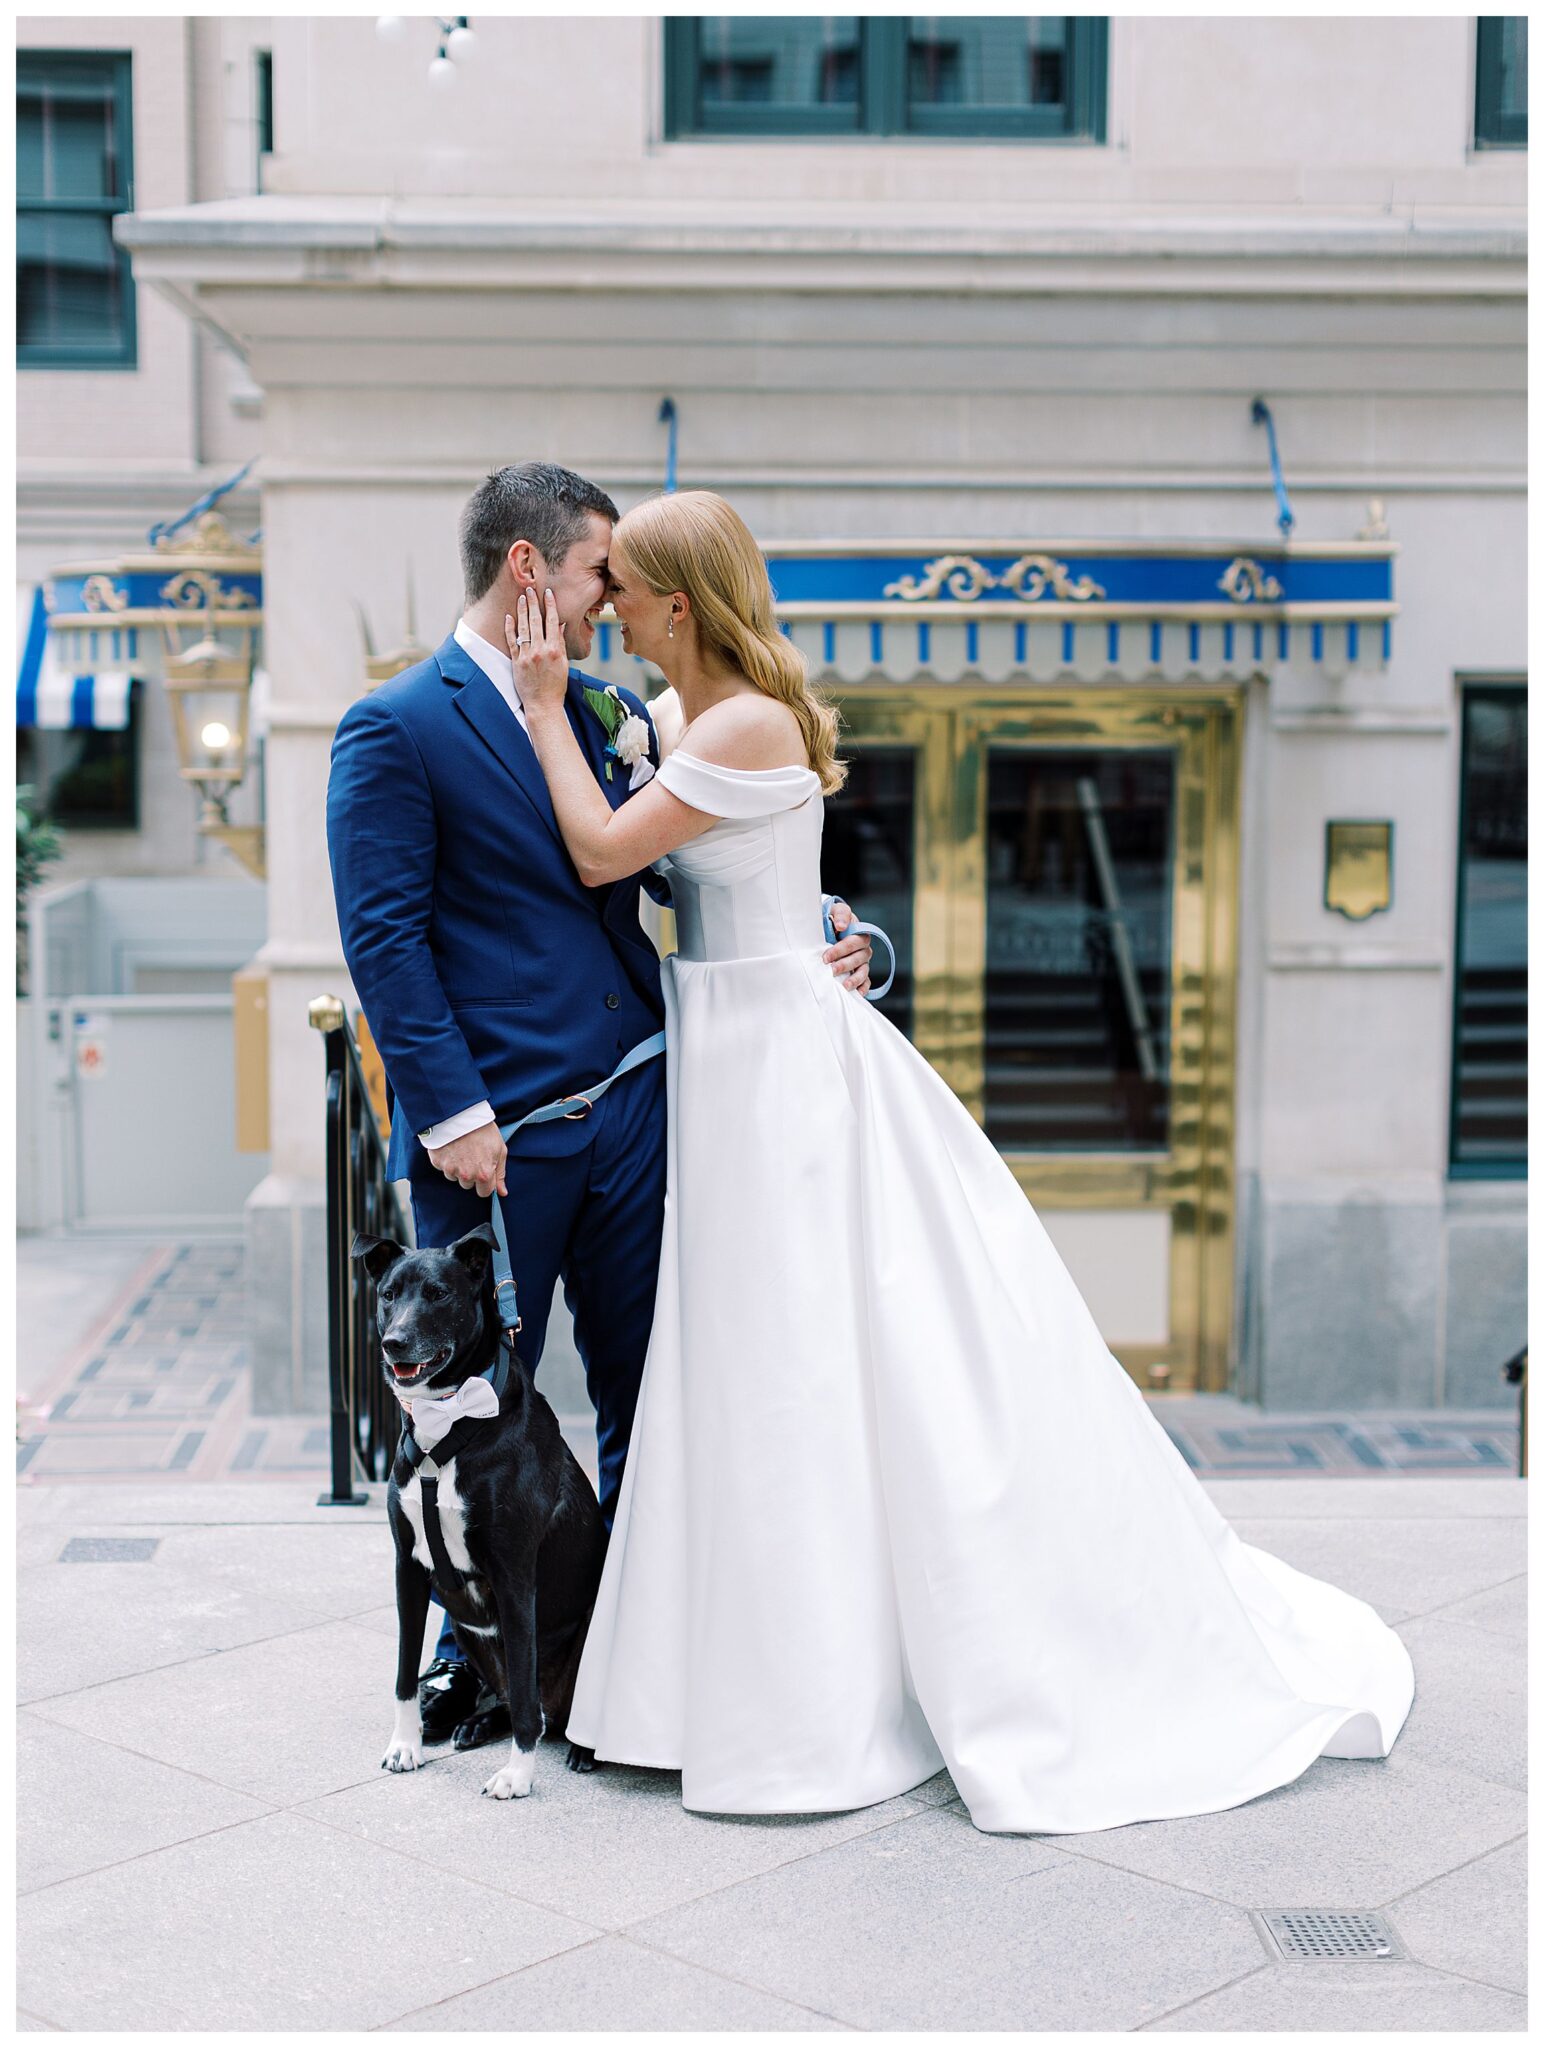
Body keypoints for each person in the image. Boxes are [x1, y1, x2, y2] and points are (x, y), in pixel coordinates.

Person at [506, 488, 1416, 1835]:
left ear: (680, 603)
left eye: (625, 585)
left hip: (774, 1079)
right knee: (759, 1369)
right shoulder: (691, 721)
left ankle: (817, 1703)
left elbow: (602, 847)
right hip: (731, 1054)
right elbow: (745, 877)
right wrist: (840, 925)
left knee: (802, 1371)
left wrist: (538, 706)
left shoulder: (743, 718)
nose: (608, 604)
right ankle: (732, 1684)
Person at [326, 464, 873, 1750]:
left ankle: (621, 1656)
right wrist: (450, 1108)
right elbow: (385, 941)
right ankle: (468, 1663)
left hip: (641, 1113)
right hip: (493, 1146)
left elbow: (715, 866)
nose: (603, 602)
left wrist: (840, 930)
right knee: (471, 1406)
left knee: (650, 1391)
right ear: (530, 569)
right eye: (592, 577)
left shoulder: (610, 706)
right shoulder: (393, 724)